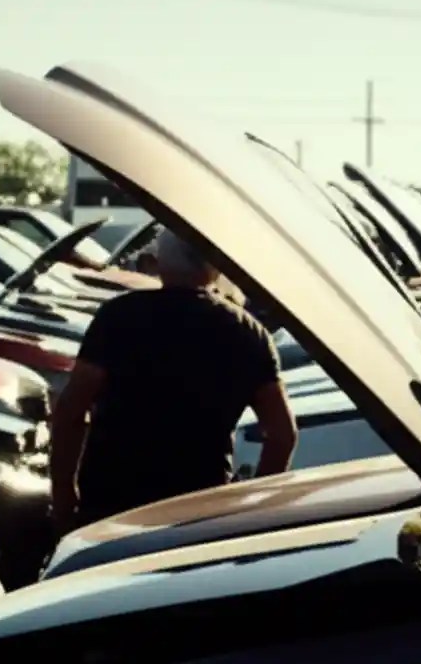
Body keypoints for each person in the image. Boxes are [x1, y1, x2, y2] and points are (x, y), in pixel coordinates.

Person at [48, 229, 298, 534]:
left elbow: (72, 410)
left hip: (112, 503)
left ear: (161, 261)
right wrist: (250, 508)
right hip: (200, 508)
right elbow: (283, 434)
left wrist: (63, 492)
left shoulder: (119, 317)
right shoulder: (248, 332)